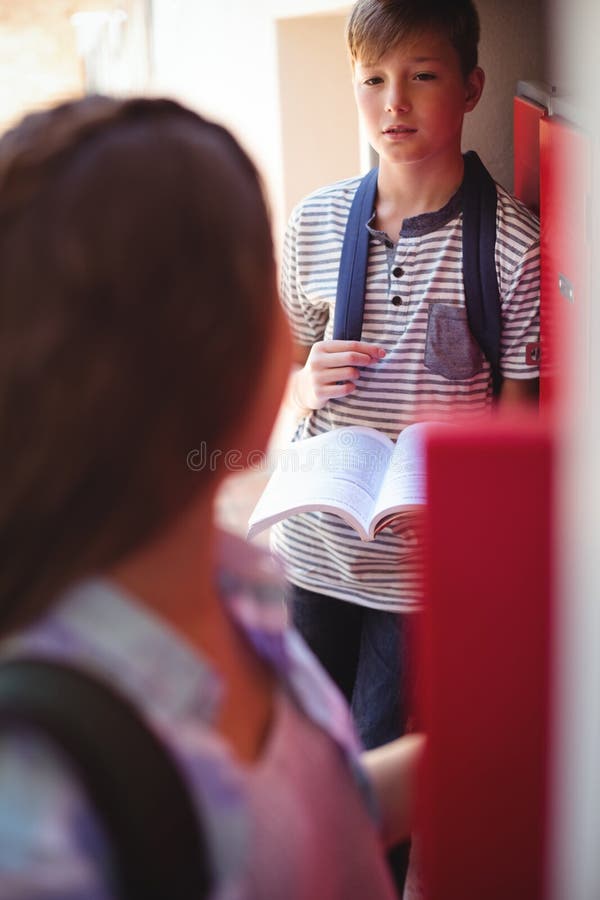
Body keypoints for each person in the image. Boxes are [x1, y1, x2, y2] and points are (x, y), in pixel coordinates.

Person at [0, 96, 422, 898]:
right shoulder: (30, 798)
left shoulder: (239, 594)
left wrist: (469, 758)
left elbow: (299, 828)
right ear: (230, 353)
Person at [274, 0, 540, 748]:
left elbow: (520, 427)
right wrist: (302, 382)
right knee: (304, 756)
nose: (394, 102)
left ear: (471, 87)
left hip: (420, 574)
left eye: (422, 75)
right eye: (373, 79)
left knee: (379, 759)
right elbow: (280, 374)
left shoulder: (512, 246)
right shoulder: (314, 224)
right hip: (313, 549)